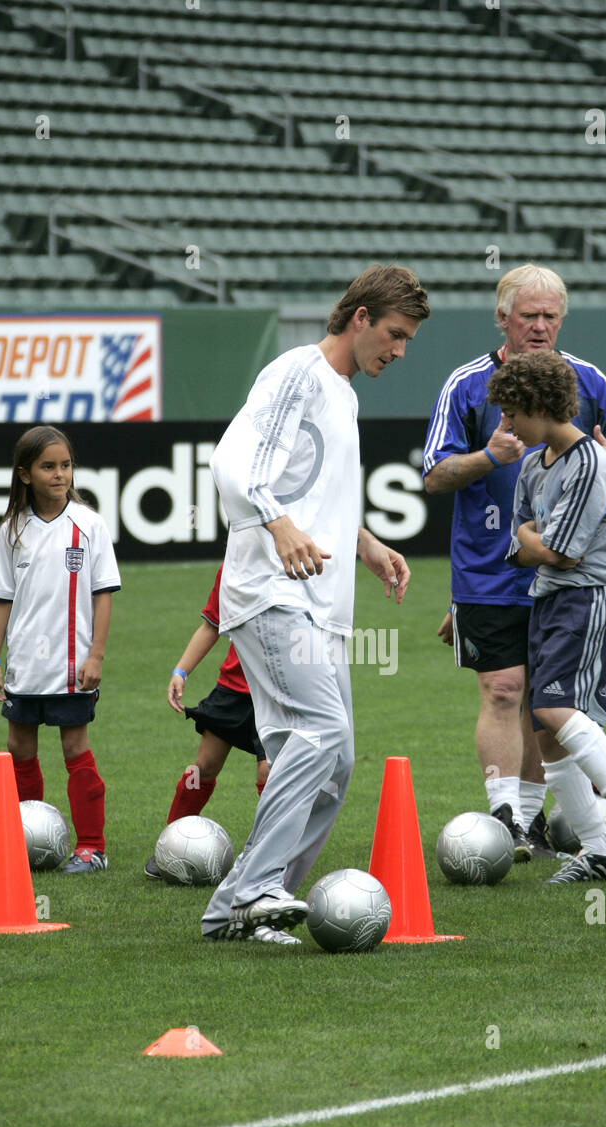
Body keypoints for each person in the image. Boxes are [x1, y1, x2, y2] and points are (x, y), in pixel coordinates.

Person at [200, 264, 429, 945]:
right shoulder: (298, 371)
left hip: (321, 604)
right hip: (272, 593)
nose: (398, 350)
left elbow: (308, 491)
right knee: (320, 733)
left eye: (408, 340)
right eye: (393, 334)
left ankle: (233, 912)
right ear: (358, 317)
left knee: (334, 766)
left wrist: (363, 543)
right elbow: (231, 464)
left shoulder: (342, 393)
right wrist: (275, 524)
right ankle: (255, 890)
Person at [423, 264, 606, 860]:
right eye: (530, 316)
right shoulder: (466, 385)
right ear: (503, 318)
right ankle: (509, 821)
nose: (541, 326)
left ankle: (540, 823)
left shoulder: (587, 379)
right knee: (504, 689)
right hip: (489, 571)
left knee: (549, 706)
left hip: (570, 577)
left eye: (551, 316)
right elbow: (434, 474)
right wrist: (488, 457)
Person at [491, 351, 606, 882]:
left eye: (511, 414)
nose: (506, 426)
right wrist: (529, 544)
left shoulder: (590, 463)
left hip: (588, 597)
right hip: (549, 599)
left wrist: (529, 544)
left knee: (558, 709)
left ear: (539, 406)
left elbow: (562, 552)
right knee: (546, 729)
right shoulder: (530, 465)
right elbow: (517, 540)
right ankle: (598, 849)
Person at [0, 426, 120, 873]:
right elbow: (2, 597)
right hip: (24, 663)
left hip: (71, 666)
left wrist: (96, 655)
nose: (59, 474)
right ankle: (31, 839)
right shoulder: (11, 530)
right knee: (18, 746)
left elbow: (103, 593)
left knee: (74, 747)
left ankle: (92, 847)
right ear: (25, 475)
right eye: (48, 467)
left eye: (65, 465)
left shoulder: (90, 524)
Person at [144, 563, 269, 878]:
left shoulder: (294, 559)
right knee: (202, 769)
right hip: (233, 689)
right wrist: (180, 671)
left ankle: (269, 860)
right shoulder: (232, 568)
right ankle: (169, 844)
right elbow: (212, 625)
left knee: (270, 773)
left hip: (276, 694)